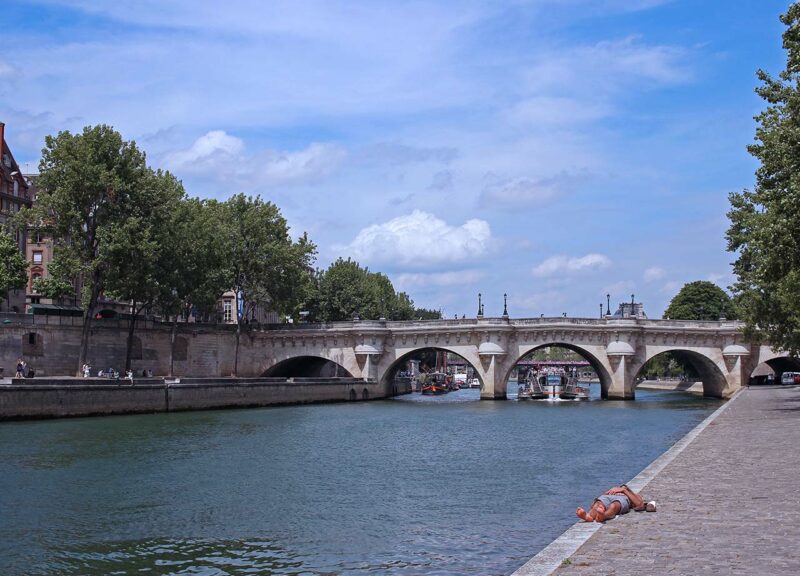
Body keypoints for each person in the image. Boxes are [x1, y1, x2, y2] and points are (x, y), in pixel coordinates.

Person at [576, 484, 656, 522]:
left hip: (621, 500)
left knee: (614, 506)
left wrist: (624, 491)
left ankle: (602, 516)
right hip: (607, 496)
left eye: (625, 487)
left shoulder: (631, 495)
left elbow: (639, 504)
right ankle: (588, 516)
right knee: (598, 504)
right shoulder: (614, 490)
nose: (622, 487)